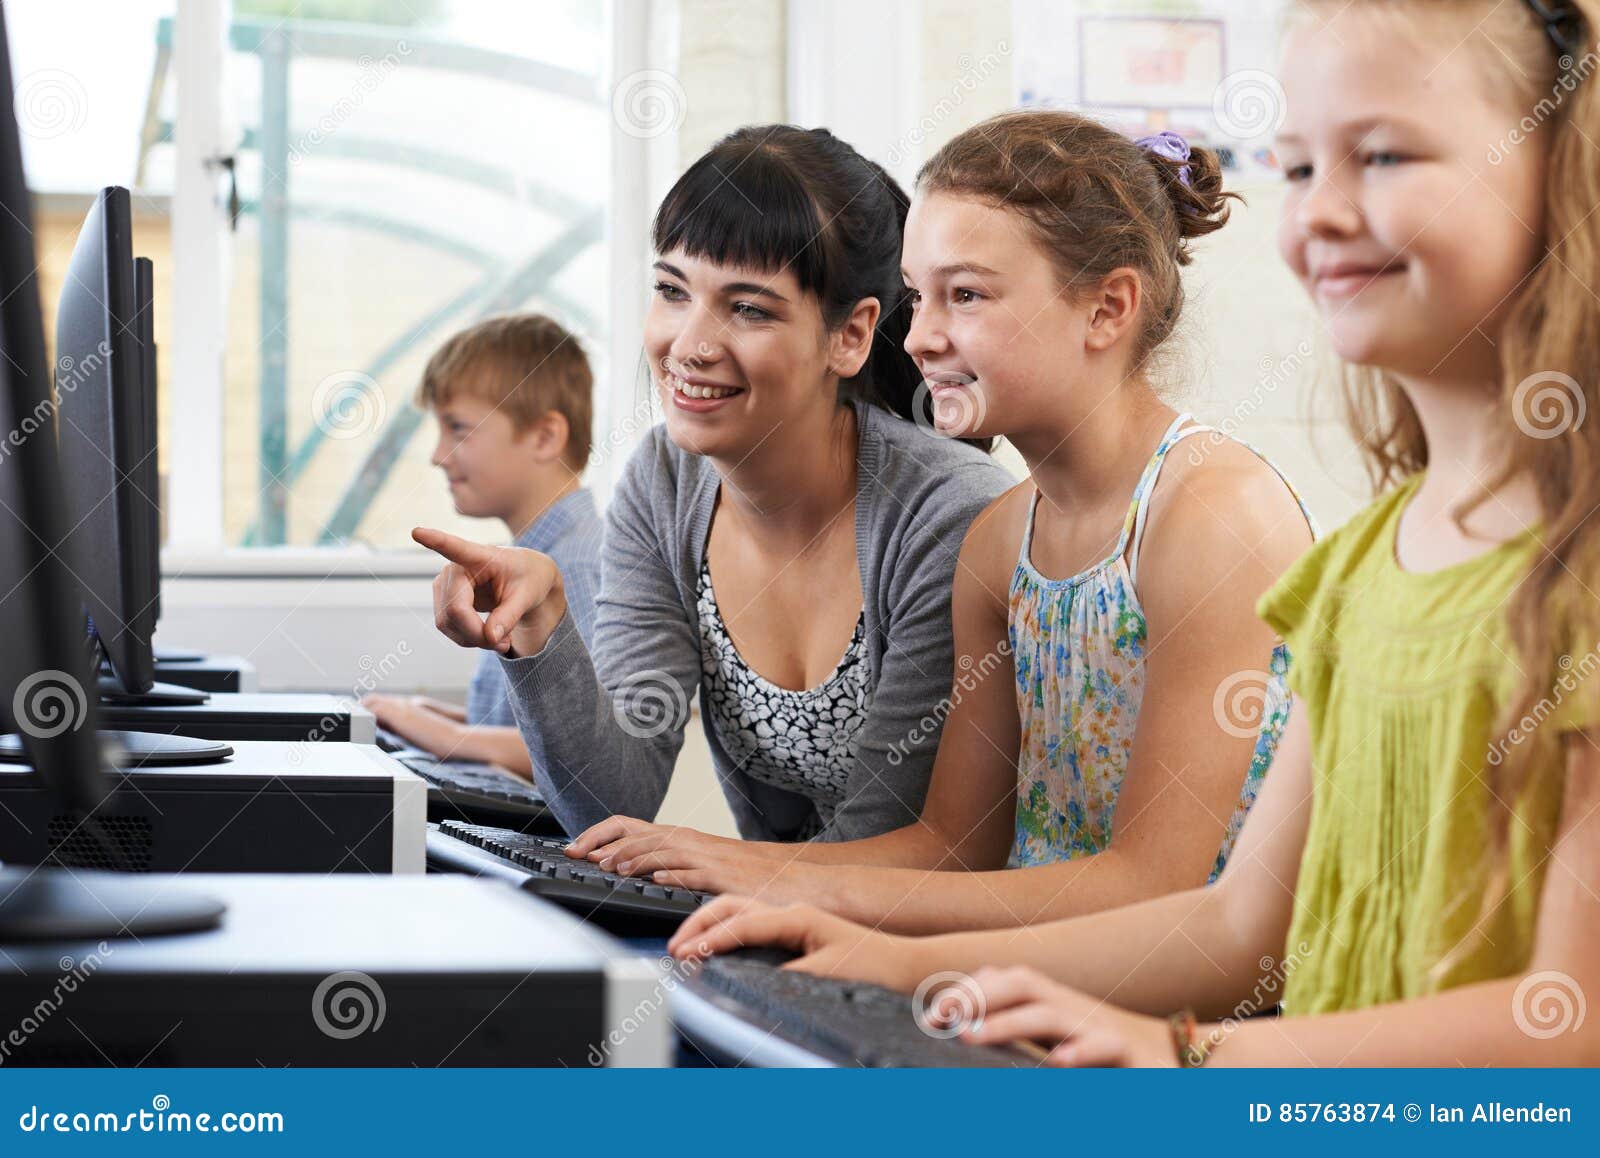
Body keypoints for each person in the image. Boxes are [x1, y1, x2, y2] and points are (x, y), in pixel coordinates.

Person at [672, 0, 1600, 1067]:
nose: (1321, 210)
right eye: (1298, 168)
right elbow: (1236, 929)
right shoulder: (1359, 565)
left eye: (1383, 156)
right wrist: (882, 960)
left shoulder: (1256, 522)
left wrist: (1184, 1056)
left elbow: (1566, 1021)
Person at [569, 109, 1315, 936]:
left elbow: (1152, 892)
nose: (919, 338)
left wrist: (775, 882)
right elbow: (950, 850)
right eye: (917, 297)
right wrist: (746, 877)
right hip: (1034, 975)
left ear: (1108, 309)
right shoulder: (996, 542)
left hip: (1203, 1000)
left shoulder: (1210, 516)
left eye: (965, 296)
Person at [416, 125, 1013, 841]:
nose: (690, 345)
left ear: (850, 335)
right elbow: (609, 802)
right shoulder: (664, 483)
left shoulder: (946, 516)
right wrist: (541, 631)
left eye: (749, 308)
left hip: (940, 913)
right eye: (672, 291)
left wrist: (704, 862)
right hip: (774, 904)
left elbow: (891, 845)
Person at [364, 313, 601, 777]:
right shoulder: (543, 553)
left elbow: (581, 753)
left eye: (457, 428)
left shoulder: (577, 566)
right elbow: (527, 725)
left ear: (544, 437)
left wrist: (441, 735)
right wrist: (429, 717)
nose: (438, 455)